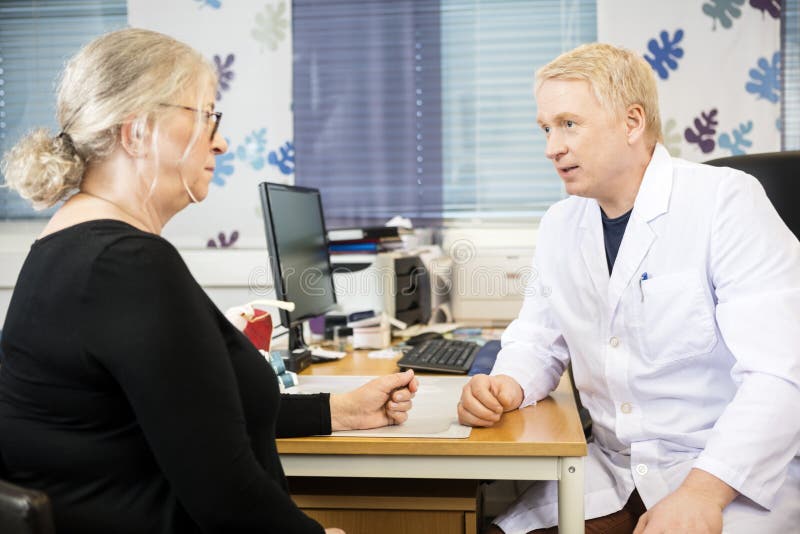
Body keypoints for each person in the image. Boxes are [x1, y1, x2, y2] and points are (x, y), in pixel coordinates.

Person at [0, 28, 418, 534]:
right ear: (137, 132)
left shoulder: (76, 248)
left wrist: (341, 411)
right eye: (205, 116)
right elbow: (225, 493)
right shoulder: (126, 265)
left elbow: (189, 413)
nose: (221, 140)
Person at [458, 43, 800, 533]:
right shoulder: (560, 223)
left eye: (569, 124)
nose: (552, 147)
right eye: (546, 128)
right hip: (612, 470)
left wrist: (703, 492)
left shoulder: (726, 202)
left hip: (722, 473)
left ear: (632, 122)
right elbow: (537, 339)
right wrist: (505, 384)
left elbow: (779, 375)